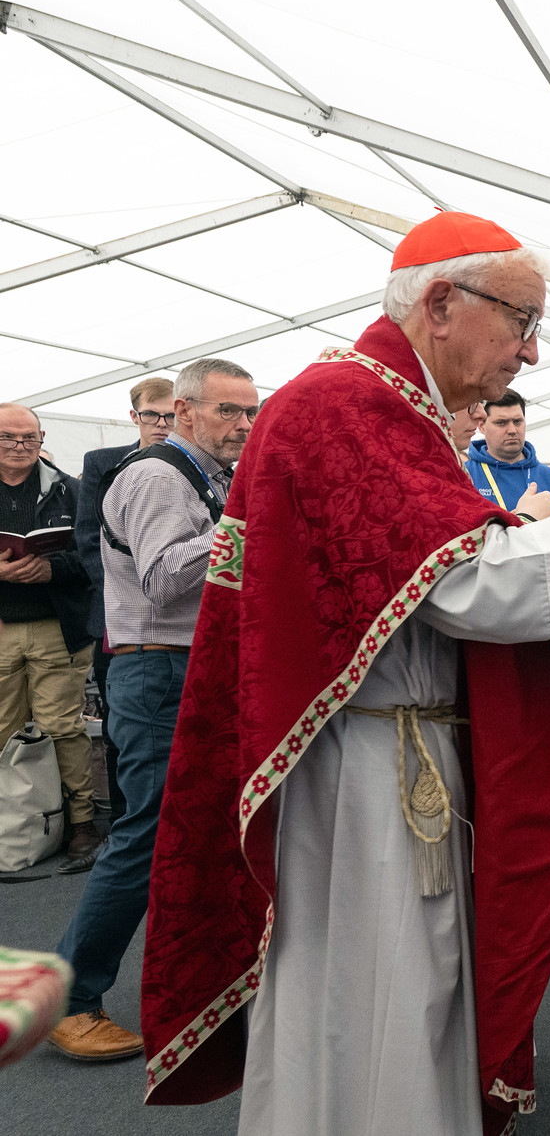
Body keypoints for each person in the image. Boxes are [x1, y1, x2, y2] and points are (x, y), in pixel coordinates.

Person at [138, 212, 550, 1134]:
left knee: (411, 991)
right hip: (367, 782)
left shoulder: (392, 408)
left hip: (402, 756)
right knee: (384, 993)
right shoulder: (343, 405)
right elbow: (468, 588)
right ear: (444, 300)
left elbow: (448, 565)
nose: (531, 355)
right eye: (523, 323)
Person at [48, 359, 253, 1063]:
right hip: (158, 668)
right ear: (184, 411)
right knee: (145, 836)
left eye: (250, 412)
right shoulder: (158, 475)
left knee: (193, 832)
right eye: (229, 410)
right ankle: (68, 997)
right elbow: (165, 579)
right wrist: (252, 530)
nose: (244, 425)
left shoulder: (203, 478)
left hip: (179, 667)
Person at [76, 378, 179, 827]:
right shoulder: (104, 463)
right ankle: (123, 822)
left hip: (174, 619)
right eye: (152, 415)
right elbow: (87, 542)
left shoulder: (195, 467)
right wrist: (132, 593)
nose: (161, 424)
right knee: (123, 733)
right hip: (120, 621)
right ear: (133, 416)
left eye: (169, 416)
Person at [0, 403, 94, 868]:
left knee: (62, 727)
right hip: (2, 630)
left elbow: (95, 561)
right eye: (8, 438)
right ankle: (15, 821)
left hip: (59, 629)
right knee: (3, 732)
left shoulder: (72, 492)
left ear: (42, 438)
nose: (20, 447)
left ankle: (81, 823)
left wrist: (49, 569)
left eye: (29, 438)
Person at [465, 390, 550, 517]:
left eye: (517, 421)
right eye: (501, 423)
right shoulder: (465, 475)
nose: (512, 430)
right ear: (482, 426)